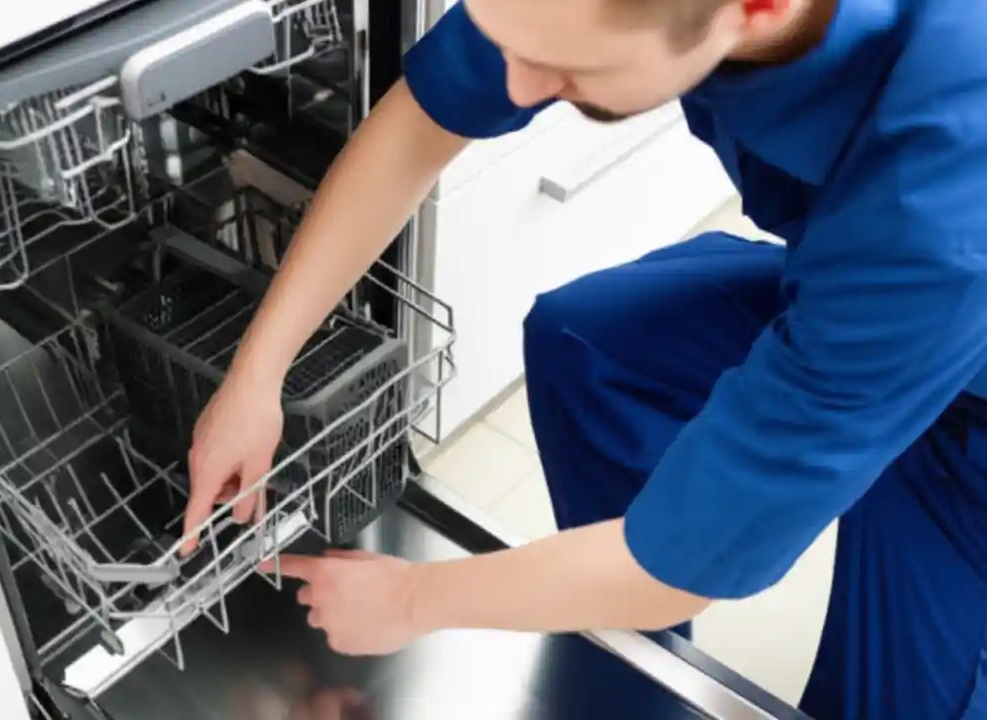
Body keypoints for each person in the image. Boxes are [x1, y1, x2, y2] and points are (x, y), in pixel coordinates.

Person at [179, 0, 987, 716]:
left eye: (566, 71)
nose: (516, 89)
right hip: (863, 298)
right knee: (586, 343)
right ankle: (632, 658)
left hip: (964, 402)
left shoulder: (939, 189)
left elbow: (687, 562)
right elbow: (424, 119)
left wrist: (416, 598)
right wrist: (257, 375)